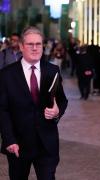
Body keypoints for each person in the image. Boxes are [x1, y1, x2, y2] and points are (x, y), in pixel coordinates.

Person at [0, 26, 68, 180]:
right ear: (22, 47)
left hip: (47, 143)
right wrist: (9, 139)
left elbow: (62, 100)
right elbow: (2, 110)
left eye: (38, 44)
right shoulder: (6, 75)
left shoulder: (53, 70)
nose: (35, 48)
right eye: (30, 44)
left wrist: (58, 111)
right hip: (18, 144)